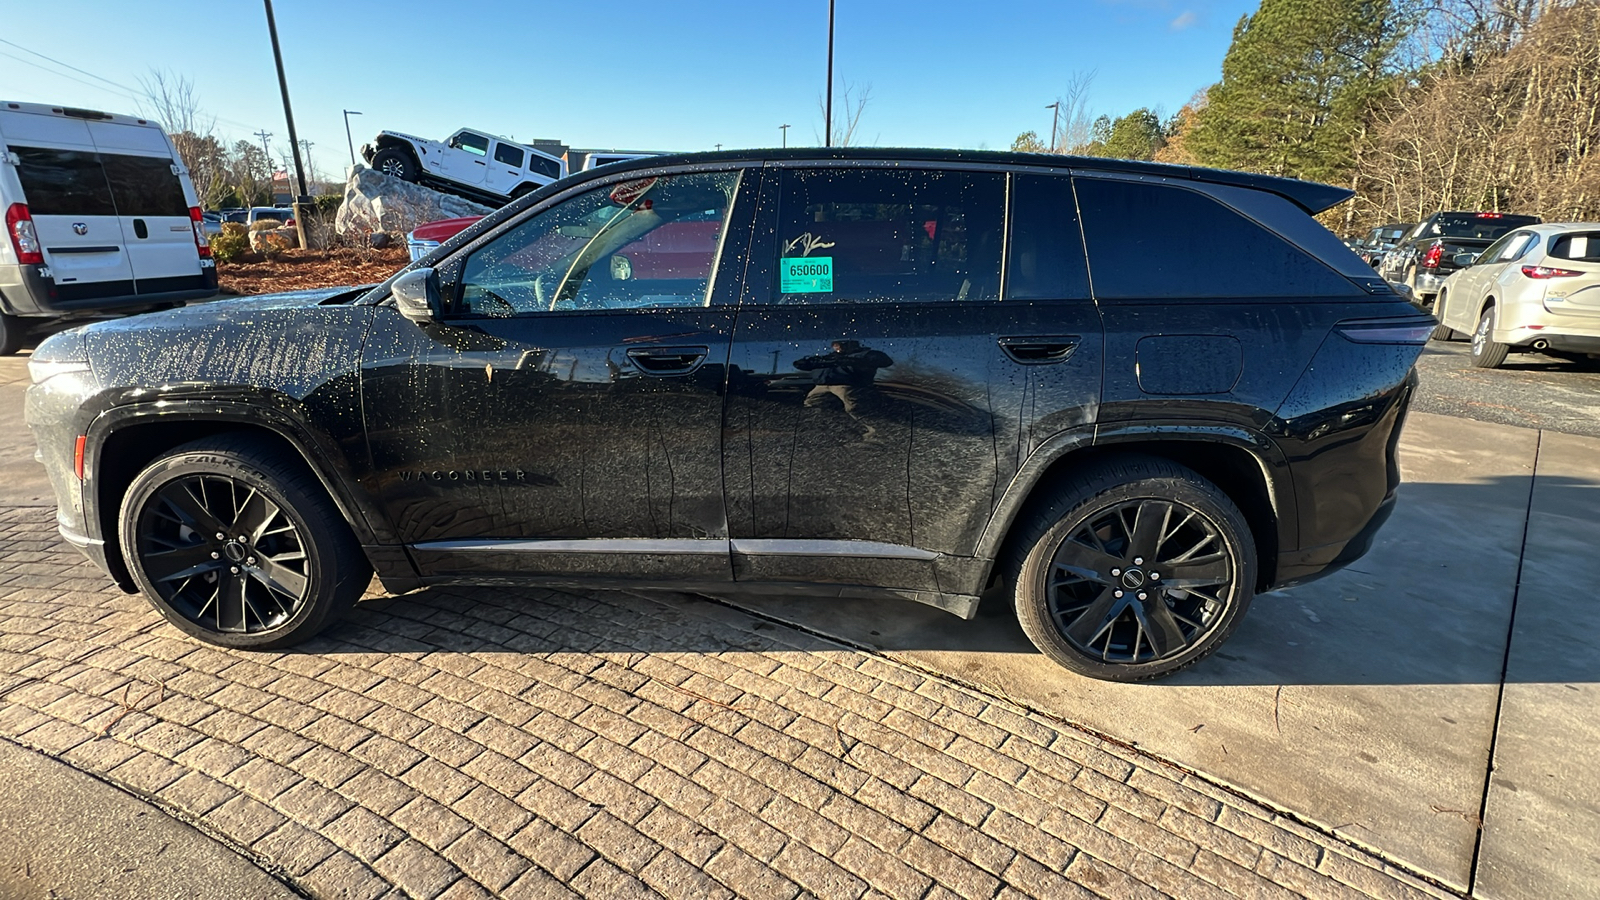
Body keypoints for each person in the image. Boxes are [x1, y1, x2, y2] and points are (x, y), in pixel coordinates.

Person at [793, 340, 894, 442]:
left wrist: (849, 360)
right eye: (834, 345)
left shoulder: (864, 354)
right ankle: (830, 433)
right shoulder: (829, 357)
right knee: (812, 406)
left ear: (850, 344)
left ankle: (880, 435)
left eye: (840, 344)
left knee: (855, 409)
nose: (837, 347)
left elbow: (884, 361)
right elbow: (801, 365)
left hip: (848, 385)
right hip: (822, 385)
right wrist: (808, 362)